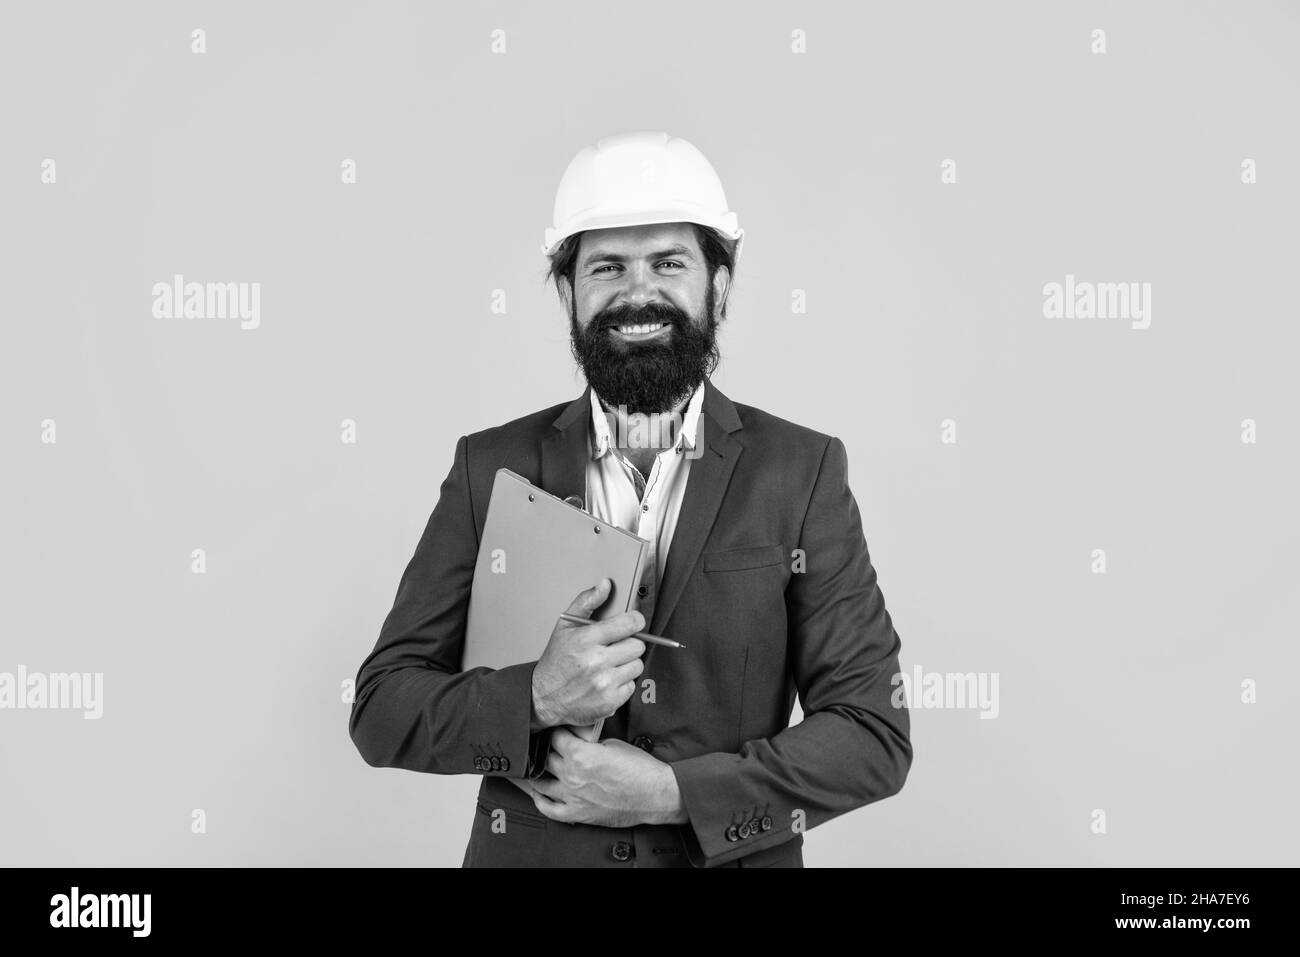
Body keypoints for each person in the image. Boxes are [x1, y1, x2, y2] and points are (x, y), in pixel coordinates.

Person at [348, 131, 912, 867]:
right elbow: (382, 707)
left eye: (668, 263)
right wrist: (537, 696)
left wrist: (676, 794)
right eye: (606, 267)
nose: (636, 293)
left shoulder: (800, 472)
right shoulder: (490, 466)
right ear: (568, 292)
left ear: (720, 284)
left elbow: (873, 734)